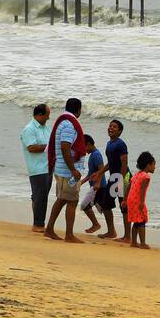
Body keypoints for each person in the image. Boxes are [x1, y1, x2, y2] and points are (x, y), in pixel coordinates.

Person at [45, 97, 88, 243]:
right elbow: (65, 147)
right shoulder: (69, 125)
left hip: (61, 168)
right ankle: (69, 235)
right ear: (78, 110)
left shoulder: (62, 122)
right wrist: (73, 170)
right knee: (72, 201)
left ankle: (49, 228)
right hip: (67, 170)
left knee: (62, 199)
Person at [95, 119, 130, 241]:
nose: (111, 128)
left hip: (123, 177)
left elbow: (124, 163)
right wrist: (99, 172)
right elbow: (110, 163)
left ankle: (127, 236)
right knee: (106, 205)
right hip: (114, 177)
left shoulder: (121, 144)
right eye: (110, 126)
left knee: (124, 206)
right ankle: (111, 232)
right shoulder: (109, 144)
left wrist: (120, 181)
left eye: (114, 127)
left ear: (120, 131)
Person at [20, 103, 52, 232]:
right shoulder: (29, 129)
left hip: (48, 167)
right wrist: (49, 147)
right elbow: (31, 147)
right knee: (40, 198)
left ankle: (38, 222)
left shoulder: (46, 128)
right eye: (47, 115)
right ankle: (38, 224)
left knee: (39, 197)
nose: (48, 118)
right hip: (37, 168)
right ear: (39, 115)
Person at [127, 151, 155, 249]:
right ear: (148, 165)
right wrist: (142, 203)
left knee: (136, 221)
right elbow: (142, 190)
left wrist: (124, 200)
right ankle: (143, 243)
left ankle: (134, 242)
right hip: (137, 200)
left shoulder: (137, 174)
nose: (155, 167)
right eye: (154, 165)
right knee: (142, 221)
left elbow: (129, 187)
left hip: (130, 200)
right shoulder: (146, 176)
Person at [79, 135, 105, 234]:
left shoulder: (96, 155)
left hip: (98, 187)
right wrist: (81, 182)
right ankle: (104, 227)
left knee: (84, 205)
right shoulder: (93, 155)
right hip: (95, 186)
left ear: (89, 144)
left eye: (83, 147)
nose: (83, 150)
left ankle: (96, 224)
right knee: (103, 208)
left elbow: (101, 169)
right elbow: (90, 174)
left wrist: (97, 183)